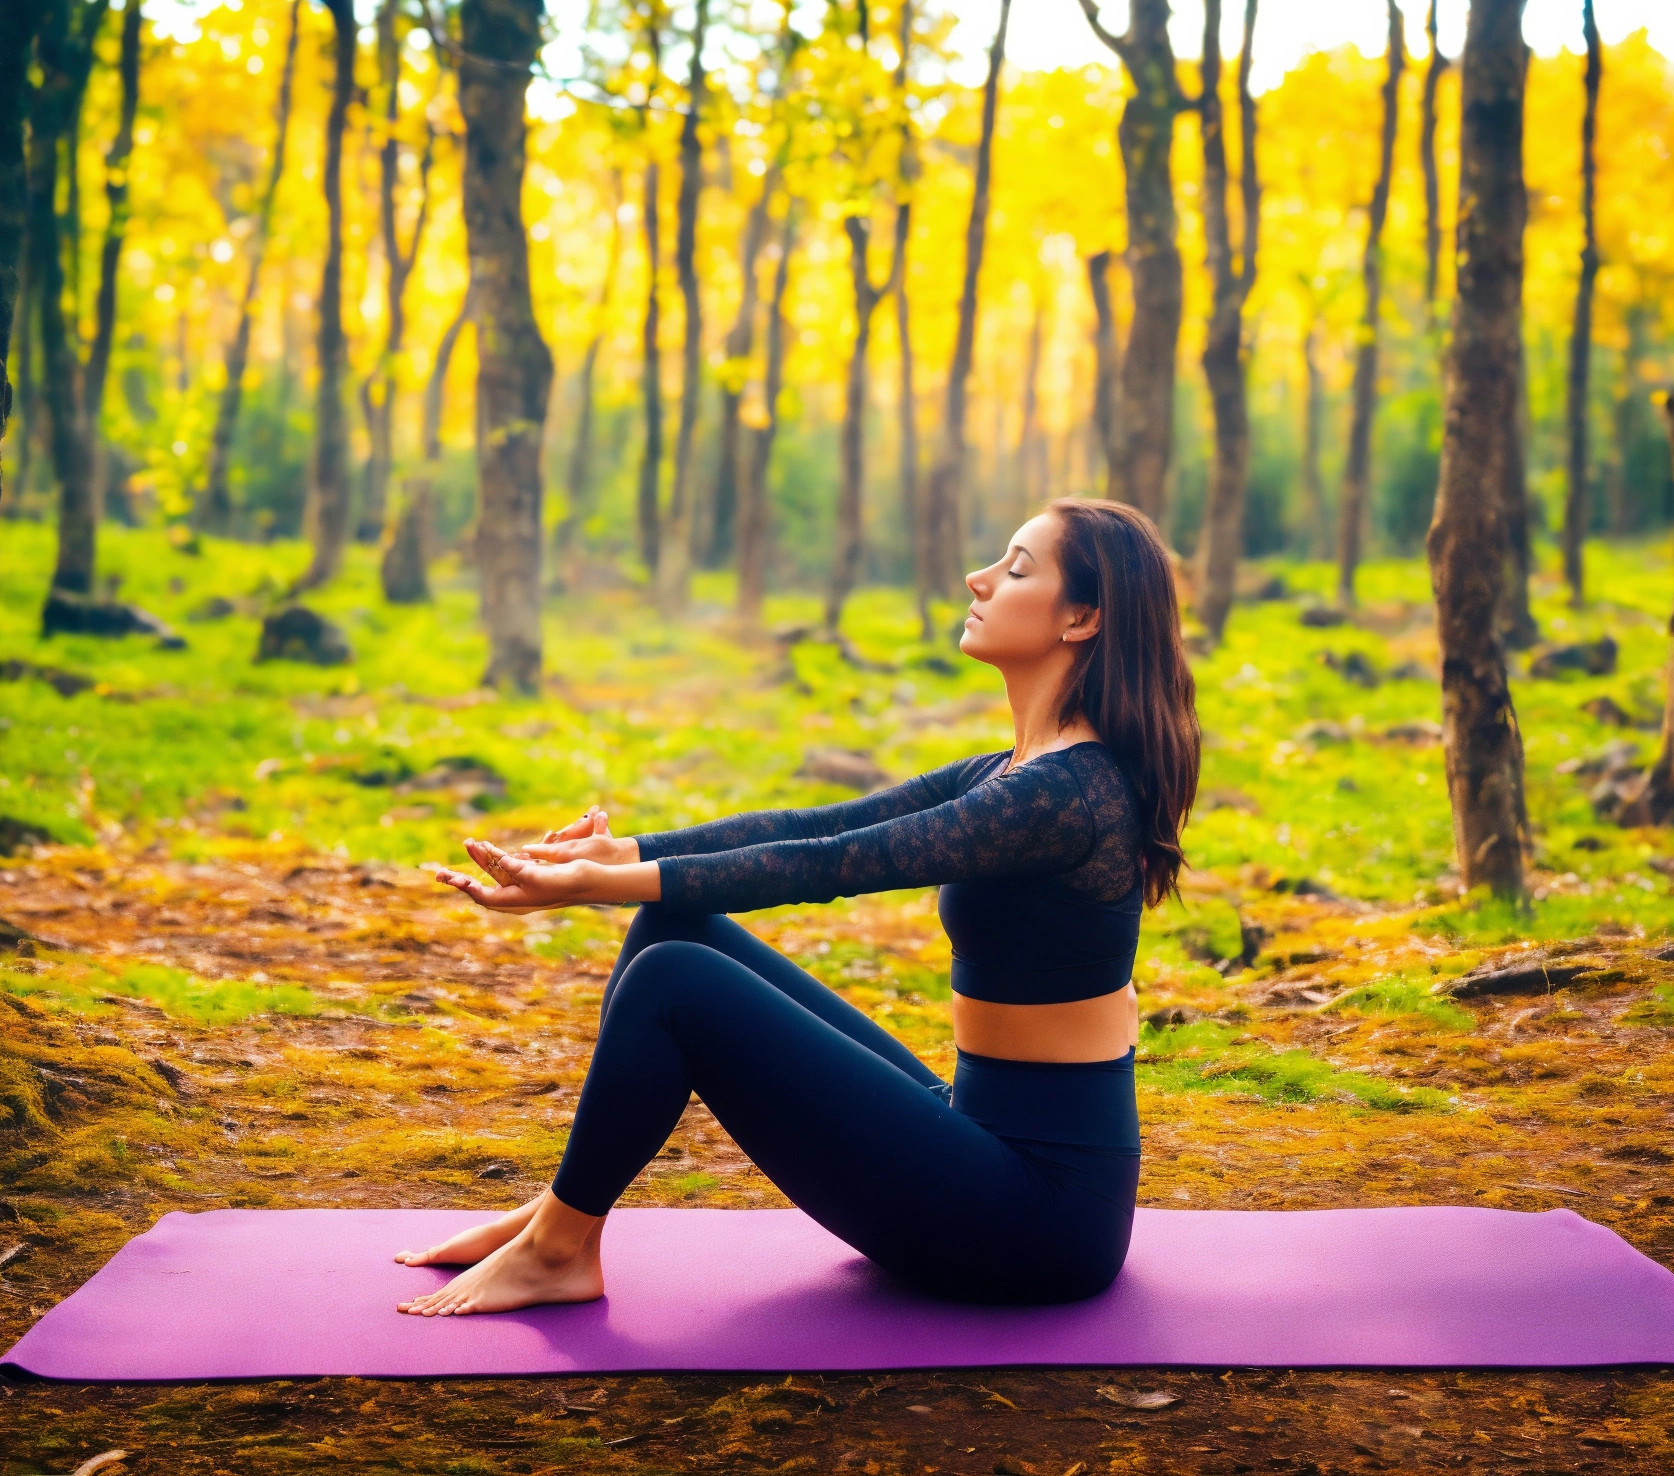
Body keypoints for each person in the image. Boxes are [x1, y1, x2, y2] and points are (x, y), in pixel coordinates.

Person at [397, 497, 1200, 1315]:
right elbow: (820, 823)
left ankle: (558, 1250)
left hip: (1038, 1219)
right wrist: (624, 854)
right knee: (673, 928)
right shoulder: (1015, 771)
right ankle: (558, 1213)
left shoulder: (1064, 793)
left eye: (1017, 568)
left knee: (673, 983)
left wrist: (587, 887)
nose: (979, 577)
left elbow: (827, 865)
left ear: (1083, 618)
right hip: (977, 1130)